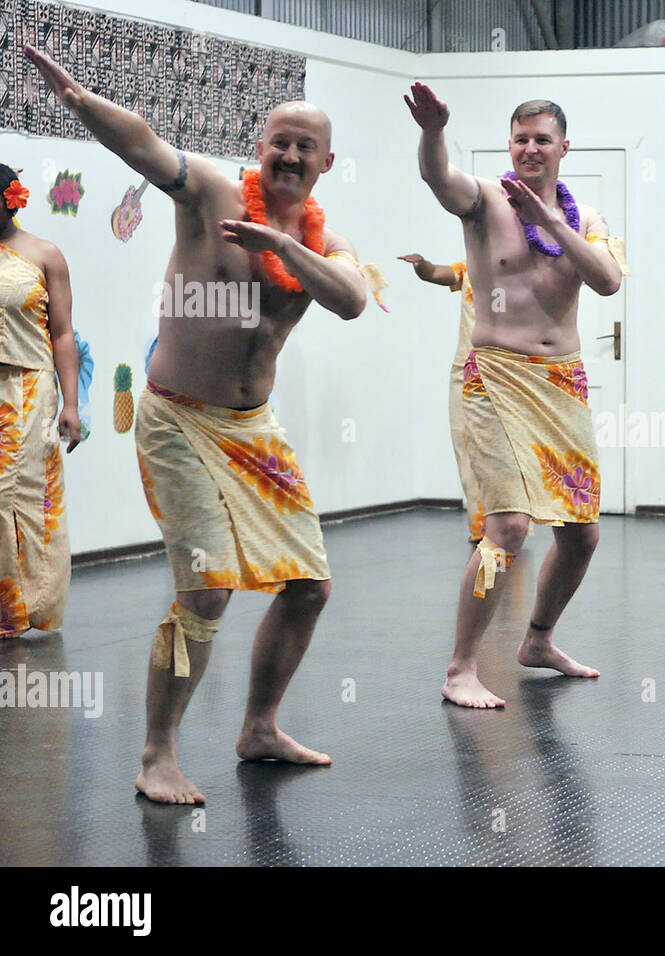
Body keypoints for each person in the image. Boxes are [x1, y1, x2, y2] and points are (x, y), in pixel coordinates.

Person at [26, 45, 369, 804]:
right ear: (260, 148)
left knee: (309, 586)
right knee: (207, 590)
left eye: (305, 147)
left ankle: (260, 729)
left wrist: (283, 247)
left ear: (326, 162)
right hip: (177, 419)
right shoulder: (212, 193)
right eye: (279, 142)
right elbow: (145, 146)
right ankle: (157, 754)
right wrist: (79, 100)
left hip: (254, 427)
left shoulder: (326, 241)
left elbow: (351, 300)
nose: (289, 156)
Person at [406, 87, 626, 708]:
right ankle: (461, 668)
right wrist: (433, 132)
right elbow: (438, 178)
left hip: (562, 381)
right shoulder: (484, 199)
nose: (530, 148)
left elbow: (607, 281)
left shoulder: (588, 220)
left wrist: (553, 222)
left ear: (563, 148)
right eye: (520, 139)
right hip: (496, 376)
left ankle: (538, 640)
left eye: (542, 139)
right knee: (507, 527)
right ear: (510, 145)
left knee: (581, 535)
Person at [0, 163, 81, 637]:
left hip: (28, 389)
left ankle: (31, 603)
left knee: (21, 493)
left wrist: (70, 405)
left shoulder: (44, 255)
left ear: (8, 199)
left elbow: (63, 333)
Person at [399, 252, 485, 542]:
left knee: (504, 452)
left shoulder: (518, 272)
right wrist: (420, 265)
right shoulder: (469, 269)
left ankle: (508, 525)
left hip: (503, 370)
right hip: (466, 369)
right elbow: (435, 273)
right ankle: (480, 527)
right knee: (465, 446)